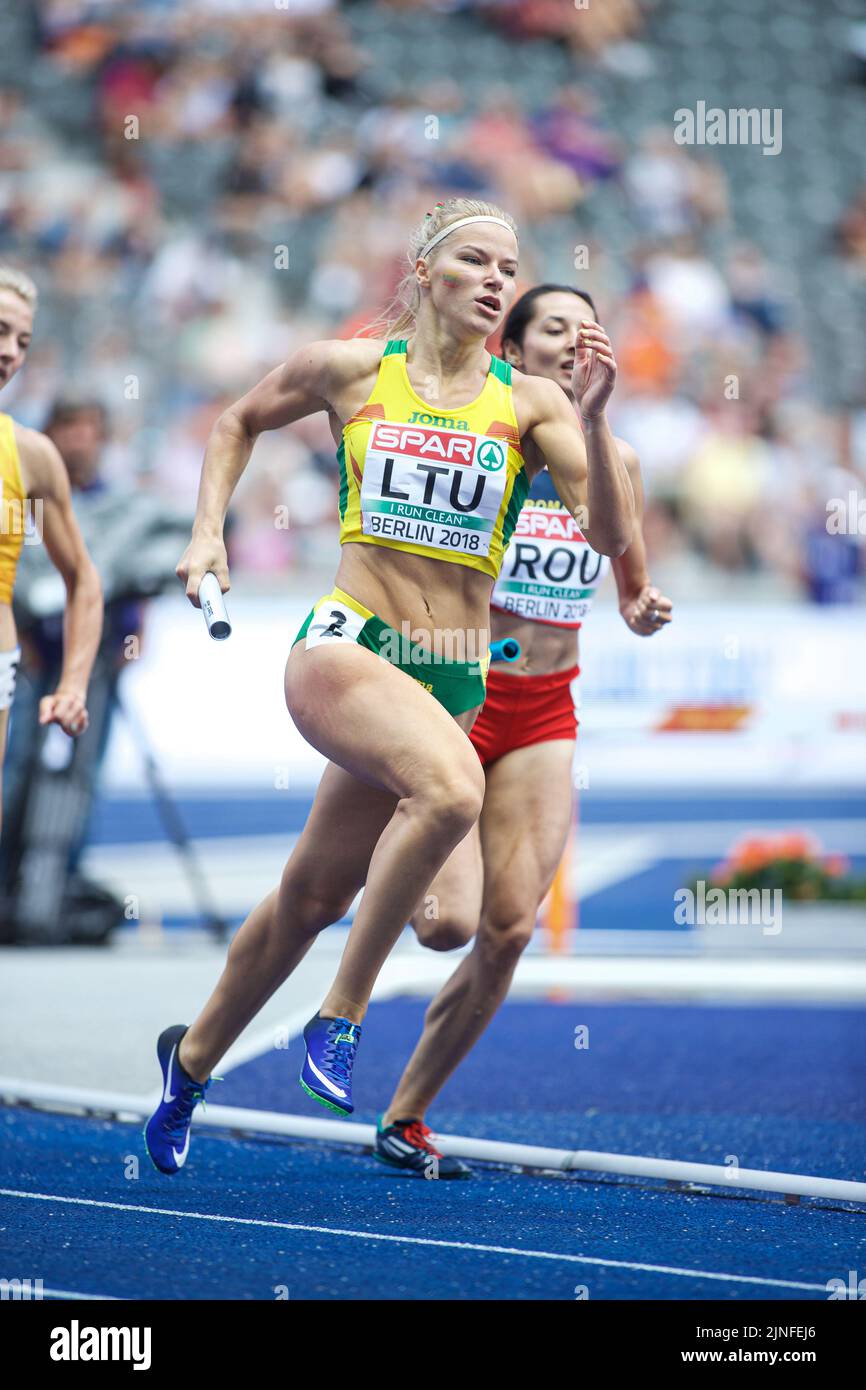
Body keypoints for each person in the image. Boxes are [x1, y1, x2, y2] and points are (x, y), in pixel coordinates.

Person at [144, 198, 635, 1174]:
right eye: (476, 260)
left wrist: (592, 421)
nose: (497, 278)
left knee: (332, 896)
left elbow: (610, 540)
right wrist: (207, 531)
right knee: (452, 789)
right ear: (423, 272)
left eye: (510, 264)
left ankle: (188, 1065)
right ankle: (341, 1012)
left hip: (448, 677)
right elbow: (236, 420)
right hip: (346, 643)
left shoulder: (529, 405)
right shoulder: (351, 370)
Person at [373, 285, 673, 1178]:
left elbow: (628, 586)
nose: (577, 341)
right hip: (461, 694)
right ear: (515, 345)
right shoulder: (483, 440)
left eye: (590, 328)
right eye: (556, 327)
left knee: (509, 930)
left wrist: (644, 605)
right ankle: (377, 879)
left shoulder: (614, 456)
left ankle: (408, 1113)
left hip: (547, 707)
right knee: (445, 928)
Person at [0, 267, 103, 832]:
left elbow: (84, 580)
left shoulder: (30, 456)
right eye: (0, 331)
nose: (10, 353)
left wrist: (72, 684)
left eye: (22, 342)